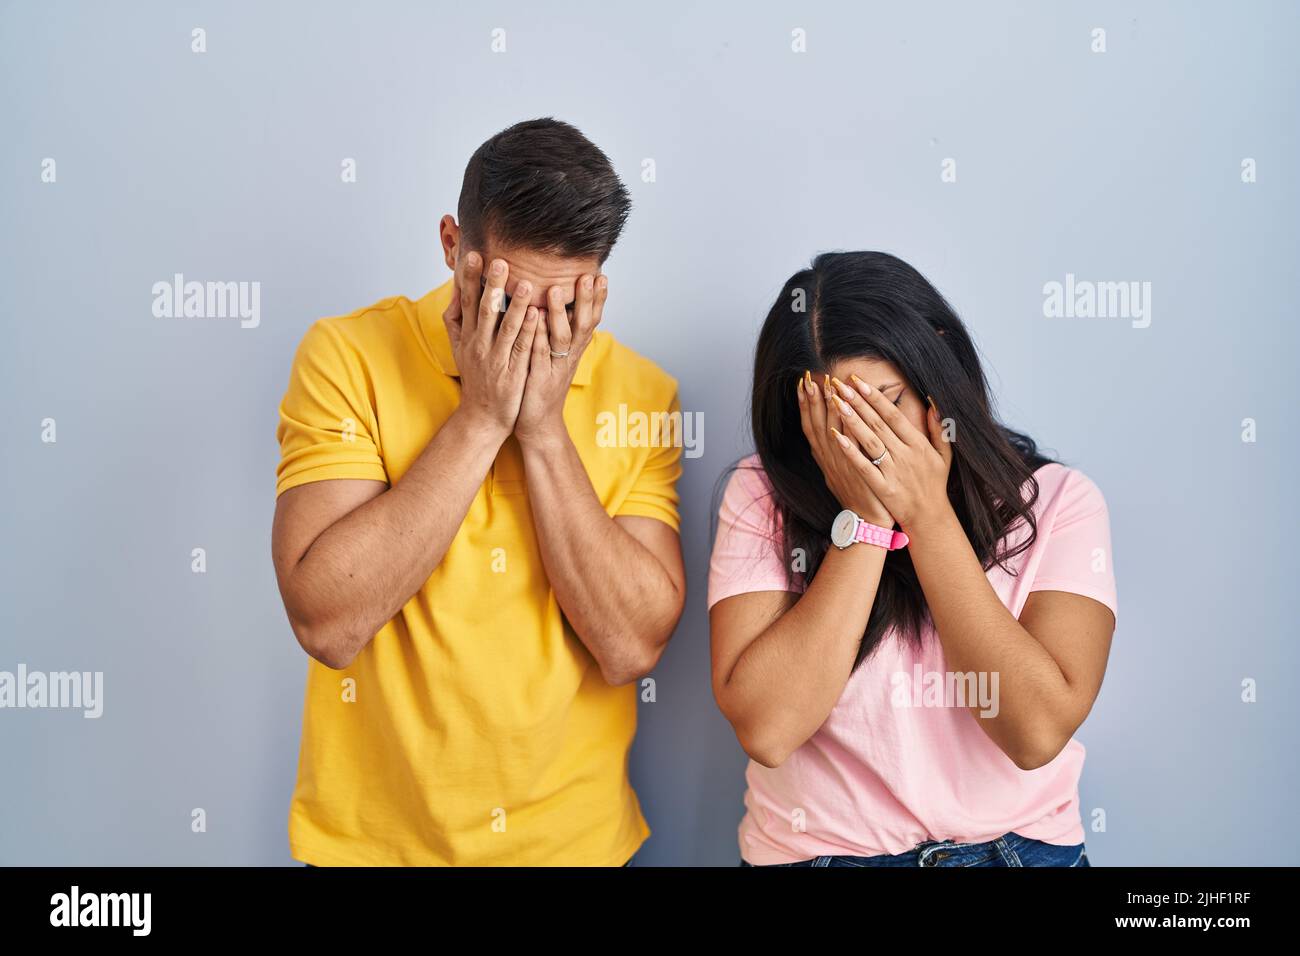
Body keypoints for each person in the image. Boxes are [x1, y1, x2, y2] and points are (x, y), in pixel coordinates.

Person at [272, 118, 686, 866]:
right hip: (371, 849)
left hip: (575, 848)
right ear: (452, 249)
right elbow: (327, 623)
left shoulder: (640, 394)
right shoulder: (346, 357)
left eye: (565, 309)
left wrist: (544, 432)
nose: (535, 335)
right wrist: (482, 418)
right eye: (510, 300)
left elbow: (630, 646)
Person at [709, 251, 1117, 867]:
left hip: (1015, 852)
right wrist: (867, 524)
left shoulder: (1061, 503)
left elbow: (1035, 734)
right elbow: (769, 730)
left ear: (938, 373)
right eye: (833, 419)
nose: (864, 443)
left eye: (883, 404)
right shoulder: (761, 495)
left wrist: (927, 515)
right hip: (824, 856)